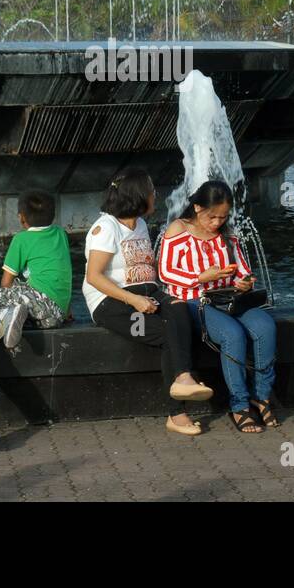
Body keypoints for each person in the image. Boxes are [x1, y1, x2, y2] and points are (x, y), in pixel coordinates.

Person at [84, 167, 213, 436]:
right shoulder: (105, 227)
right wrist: (133, 300)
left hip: (147, 293)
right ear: (138, 196)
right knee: (168, 333)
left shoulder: (140, 224)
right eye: (152, 192)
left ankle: (183, 378)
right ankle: (177, 412)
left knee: (179, 307)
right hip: (111, 302)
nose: (156, 196)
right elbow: (94, 277)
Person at [159, 180, 278, 434]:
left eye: (222, 217)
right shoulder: (179, 229)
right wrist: (201, 278)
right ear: (198, 207)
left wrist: (244, 282)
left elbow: (242, 270)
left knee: (265, 326)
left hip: (230, 299)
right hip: (193, 300)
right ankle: (239, 405)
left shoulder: (227, 233)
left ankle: (262, 395)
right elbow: (166, 272)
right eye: (212, 217)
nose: (217, 223)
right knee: (232, 334)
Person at [0, 188, 71, 353]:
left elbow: (6, 282)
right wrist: (67, 309)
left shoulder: (21, 239)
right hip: (56, 314)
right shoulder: (61, 233)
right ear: (52, 215)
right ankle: (6, 318)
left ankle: (4, 316)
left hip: (34, 301)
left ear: (21, 217)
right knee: (24, 310)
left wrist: (4, 298)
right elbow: (64, 272)